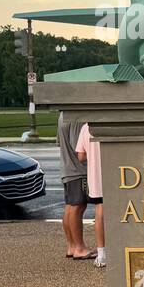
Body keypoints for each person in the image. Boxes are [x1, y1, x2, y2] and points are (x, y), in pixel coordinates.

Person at [57, 112, 93, 260]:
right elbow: (80, 149)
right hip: (78, 170)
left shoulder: (63, 115)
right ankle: (79, 247)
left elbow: (60, 142)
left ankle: (72, 246)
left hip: (67, 168)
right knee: (78, 206)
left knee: (71, 206)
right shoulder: (78, 117)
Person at [75, 122, 106, 268]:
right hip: (116, 173)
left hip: (96, 177)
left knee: (100, 213)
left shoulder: (86, 127)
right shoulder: (113, 122)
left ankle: (102, 253)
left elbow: (81, 156)